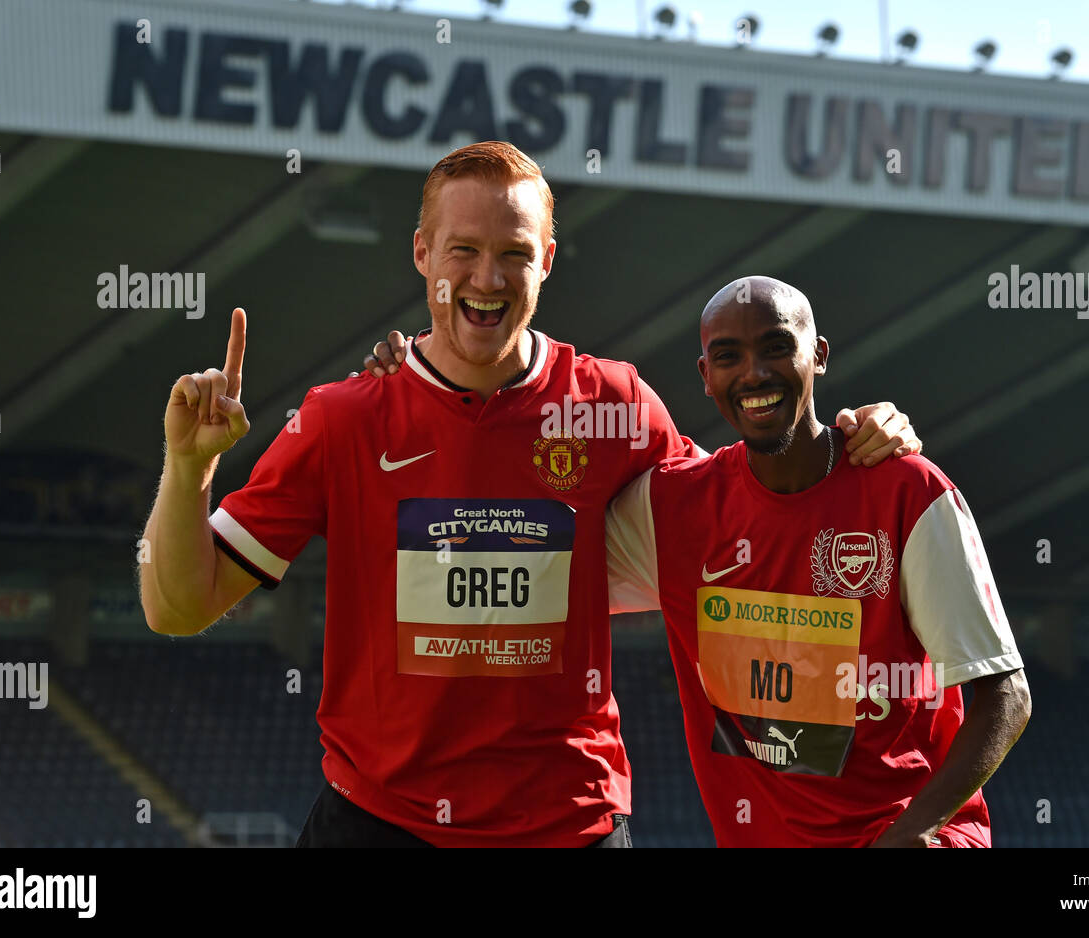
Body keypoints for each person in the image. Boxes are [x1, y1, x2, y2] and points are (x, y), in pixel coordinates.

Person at [138, 141, 919, 847]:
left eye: (512, 253)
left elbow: (744, 513)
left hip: (567, 827)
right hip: (379, 824)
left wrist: (855, 443)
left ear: (546, 259)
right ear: (422, 254)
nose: (486, 279)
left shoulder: (613, 407)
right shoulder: (343, 420)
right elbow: (178, 607)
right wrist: (187, 466)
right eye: (463, 251)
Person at [602, 276, 1031, 847]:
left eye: (777, 347)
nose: (754, 373)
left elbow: (1008, 695)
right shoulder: (670, 509)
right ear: (705, 376)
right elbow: (551, 563)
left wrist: (911, 834)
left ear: (818, 355)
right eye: (729, 356)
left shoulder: (907, 490)